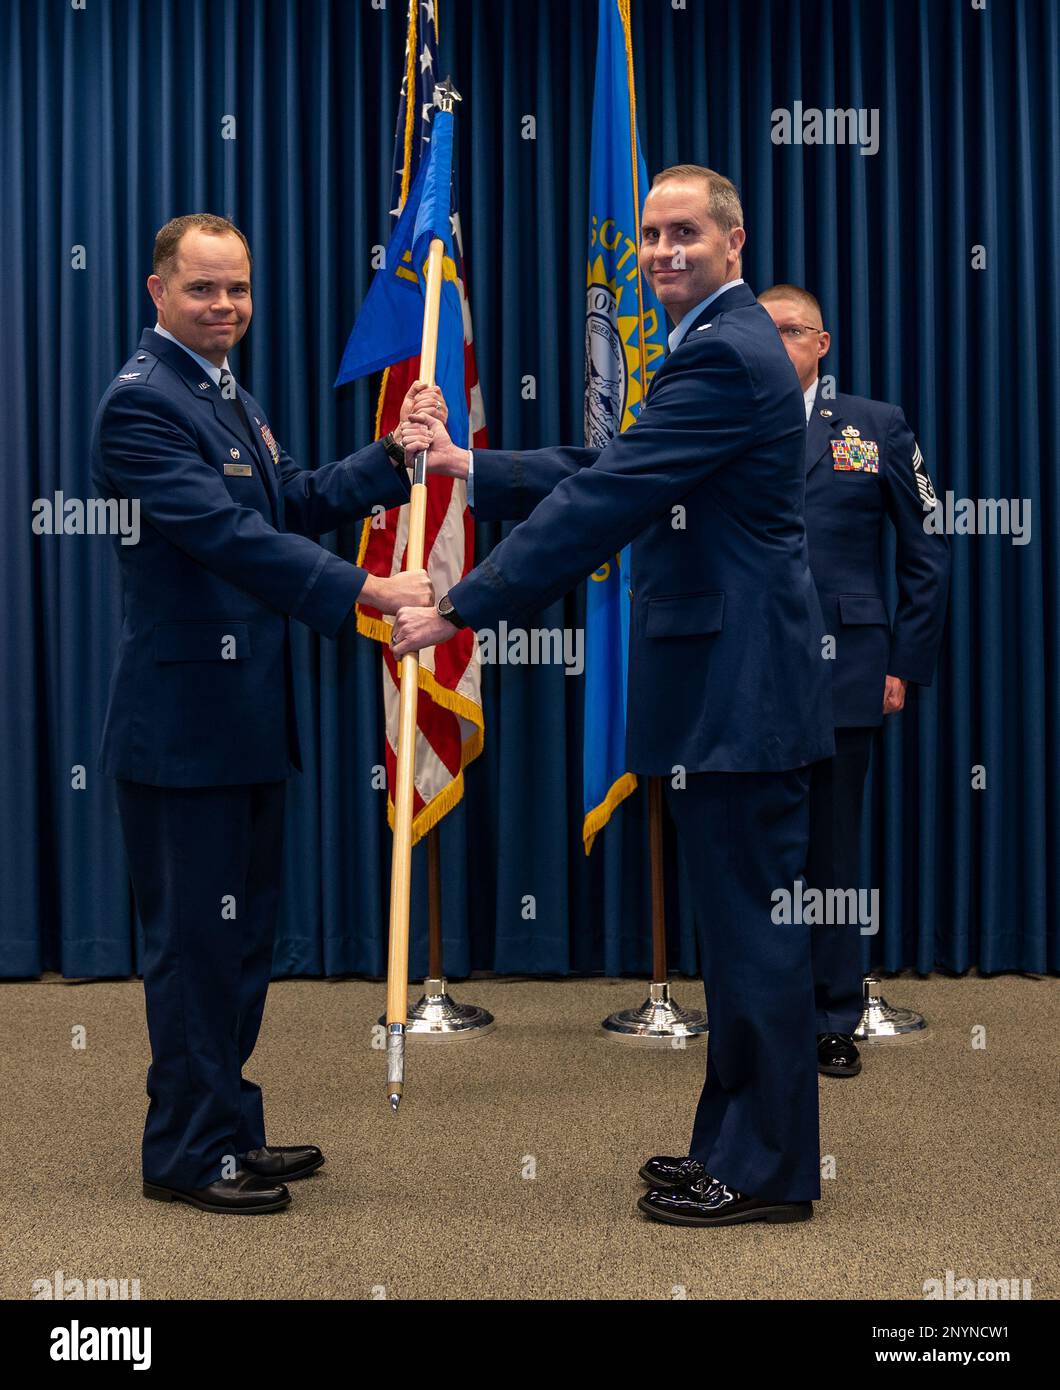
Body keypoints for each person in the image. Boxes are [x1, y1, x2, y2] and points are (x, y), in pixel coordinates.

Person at [397, 166, 834, 1227]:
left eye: (684, 231)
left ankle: (768, 1171)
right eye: (648, 234)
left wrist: (463, 605)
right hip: (726, 689)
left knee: (754, 941)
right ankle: (732, 1144)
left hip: (739, 693)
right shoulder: (718, 347)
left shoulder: (724, 355)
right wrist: (469, 463)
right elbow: (619, 462)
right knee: (735, 939)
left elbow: (606, 497)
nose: (661, 250)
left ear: (735, 242)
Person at [91, 212, 441, 1214]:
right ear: (157, 292)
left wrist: (391, 453)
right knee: (194, 949)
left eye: (238, 288)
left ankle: (227, 1127)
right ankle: (186, 1153)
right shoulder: (142, 405)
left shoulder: (222, 393)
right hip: (182, 729)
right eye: (203, 289)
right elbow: (228, 536)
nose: (226, 306)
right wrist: (365, 591)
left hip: (243, 720)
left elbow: (286, 500)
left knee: (239, 947)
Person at [759, 284, 949, 1078]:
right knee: (754, 852)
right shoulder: (724, 422)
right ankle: (757, 1016)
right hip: (749, 668)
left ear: (823, 343)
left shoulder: (873, 425)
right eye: (762, 334)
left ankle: (834, 1013)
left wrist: (905, 661)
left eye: (792, 331)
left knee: (831, 854)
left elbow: (926, 549)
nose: (778, 346)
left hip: (850, 668)